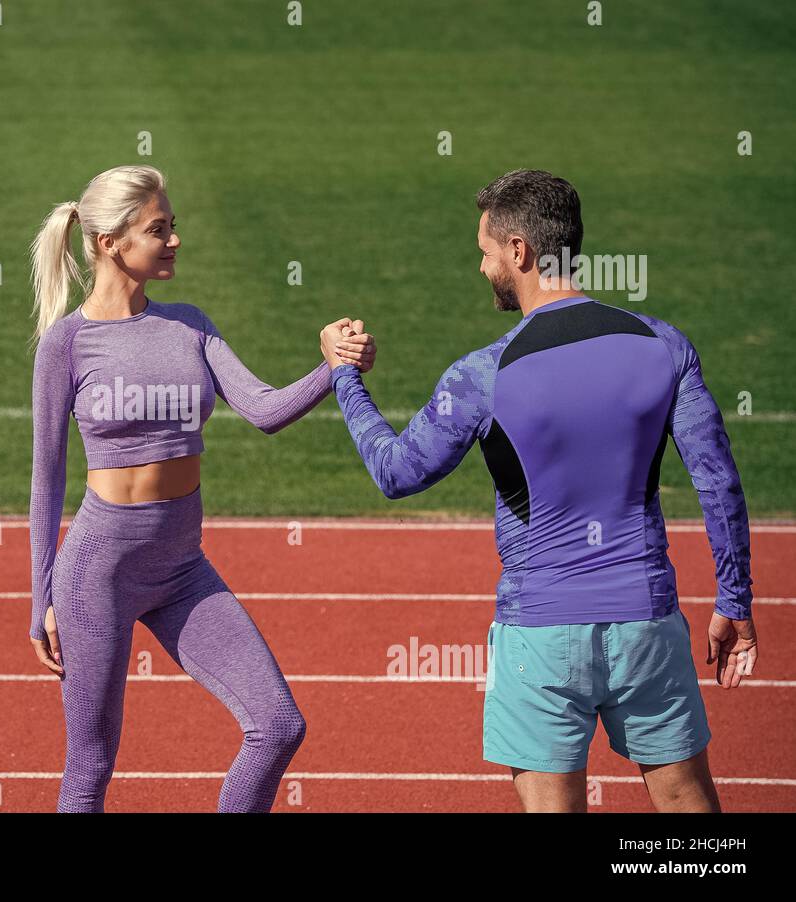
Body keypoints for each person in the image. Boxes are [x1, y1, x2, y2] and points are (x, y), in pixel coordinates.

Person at [324, 169, 757, 812]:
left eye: (486, 250)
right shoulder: (666, 347)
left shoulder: (484, 375)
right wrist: (735, 599)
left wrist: (345, 378)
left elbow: (397, 472)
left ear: (520, 251)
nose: (482, 266)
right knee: (688, 813)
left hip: (540, 634)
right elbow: (718, 481)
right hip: (647, 623)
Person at [27, 164, 374, 812]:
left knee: (277, 726)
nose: (176, 240)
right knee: (90, 768)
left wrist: (332, 369)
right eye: (159, 229)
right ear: (109, 242)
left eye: (173, 226)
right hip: (96, 571)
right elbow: (47, 478)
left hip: (182, 565)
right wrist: (38, 598)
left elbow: (265, 410)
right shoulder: (67, 344)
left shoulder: (190, 325)